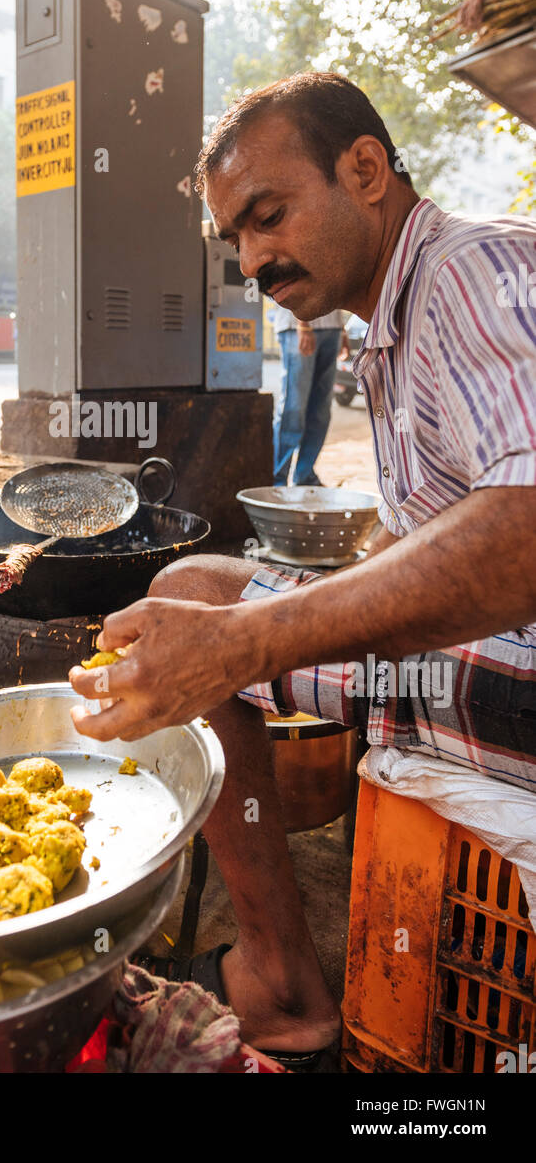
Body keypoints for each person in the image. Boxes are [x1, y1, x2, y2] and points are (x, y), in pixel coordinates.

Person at [68, 72, 536, 1066]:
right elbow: (441, 524)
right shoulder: (392, 326)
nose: (252, 260)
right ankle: (280, 970)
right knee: (189, 595)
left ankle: (282, 984)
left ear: (365, 168)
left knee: (214, 630)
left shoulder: (468, 269)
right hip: (494, 647)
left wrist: (253, 639)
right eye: (234, 238)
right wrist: (295, 599)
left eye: (267, 217)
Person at [270, 305, 349, 485]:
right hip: (296, 327)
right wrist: (303, 323)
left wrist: (342, 328)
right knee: (293, 408)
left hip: (332, 326)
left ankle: (305, 476)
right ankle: (277, 479)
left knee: (321, 411)